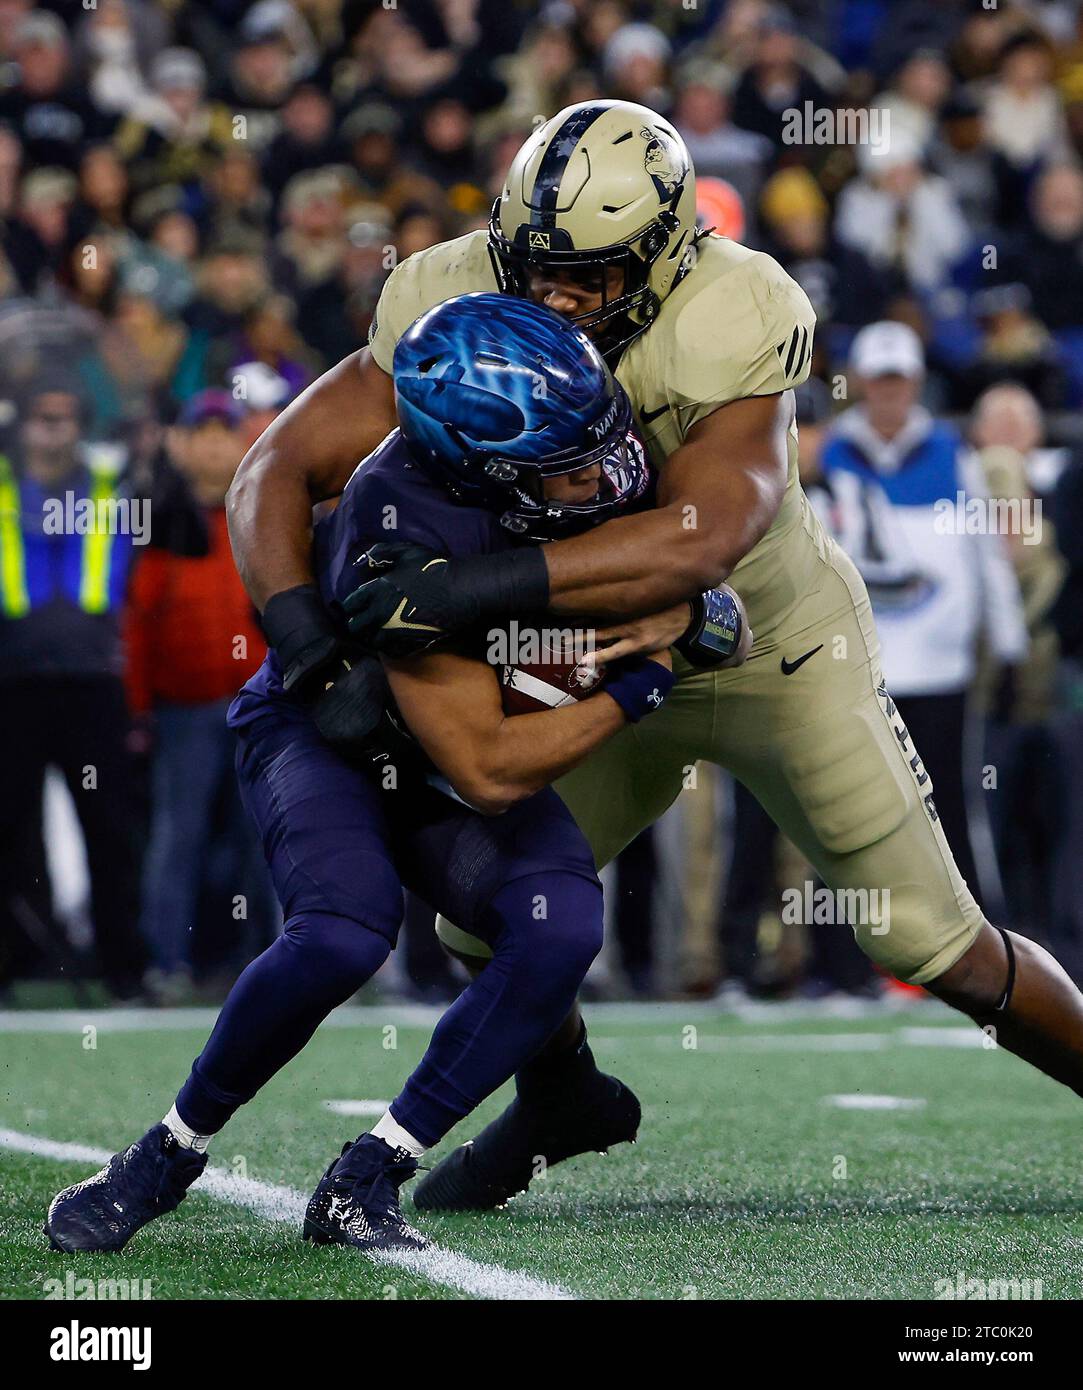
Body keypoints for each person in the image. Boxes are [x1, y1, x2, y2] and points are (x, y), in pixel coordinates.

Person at [221, 98, 1083, 1217]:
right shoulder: (447, 290)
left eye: (592, 273)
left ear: (672, 248)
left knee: (926, 936)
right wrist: (305, 648)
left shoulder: (737, 304)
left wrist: (470, 587)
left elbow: (705, 539)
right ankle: (562, 1100)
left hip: (770, 648)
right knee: (493, 918)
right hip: (591, 664)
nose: (556, 298)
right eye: (537, 268)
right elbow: (272, 468)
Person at [44, 294, 684, 1255]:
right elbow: (487, 768)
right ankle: (168, 1151)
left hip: (444, 737)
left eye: (604, 441)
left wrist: (693, 603)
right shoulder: (403, 525)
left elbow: (700, 560)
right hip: (332, 735)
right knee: (344, 933)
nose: (607, 475)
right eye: (568, 465)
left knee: (560, 927)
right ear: (486, 469)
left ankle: (369, 1173)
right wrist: (643, 684)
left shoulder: (566, 465)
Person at [820, 321, 1029, 906]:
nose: (889, 393)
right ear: (861, 382)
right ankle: (858, 957)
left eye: (899, 380)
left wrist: (1008, 646)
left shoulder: (951, 453)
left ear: (915, 382)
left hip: (941, 670)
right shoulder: (830, 453)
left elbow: (986, 555)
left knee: (951, 809)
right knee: (855, 811)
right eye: (879, 381)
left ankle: (978, 938)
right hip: (859, 673)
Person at [0, 373, 146, 1000]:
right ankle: (17, 964)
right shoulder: (5, 488)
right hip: (14, 685)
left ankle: (123, 969)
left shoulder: (112, 486)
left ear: (80, 426)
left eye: (64, 416)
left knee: (108, 829)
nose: (52, 428)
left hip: (92, 683)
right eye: (42, 416)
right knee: (8, 831)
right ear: (22, 424)